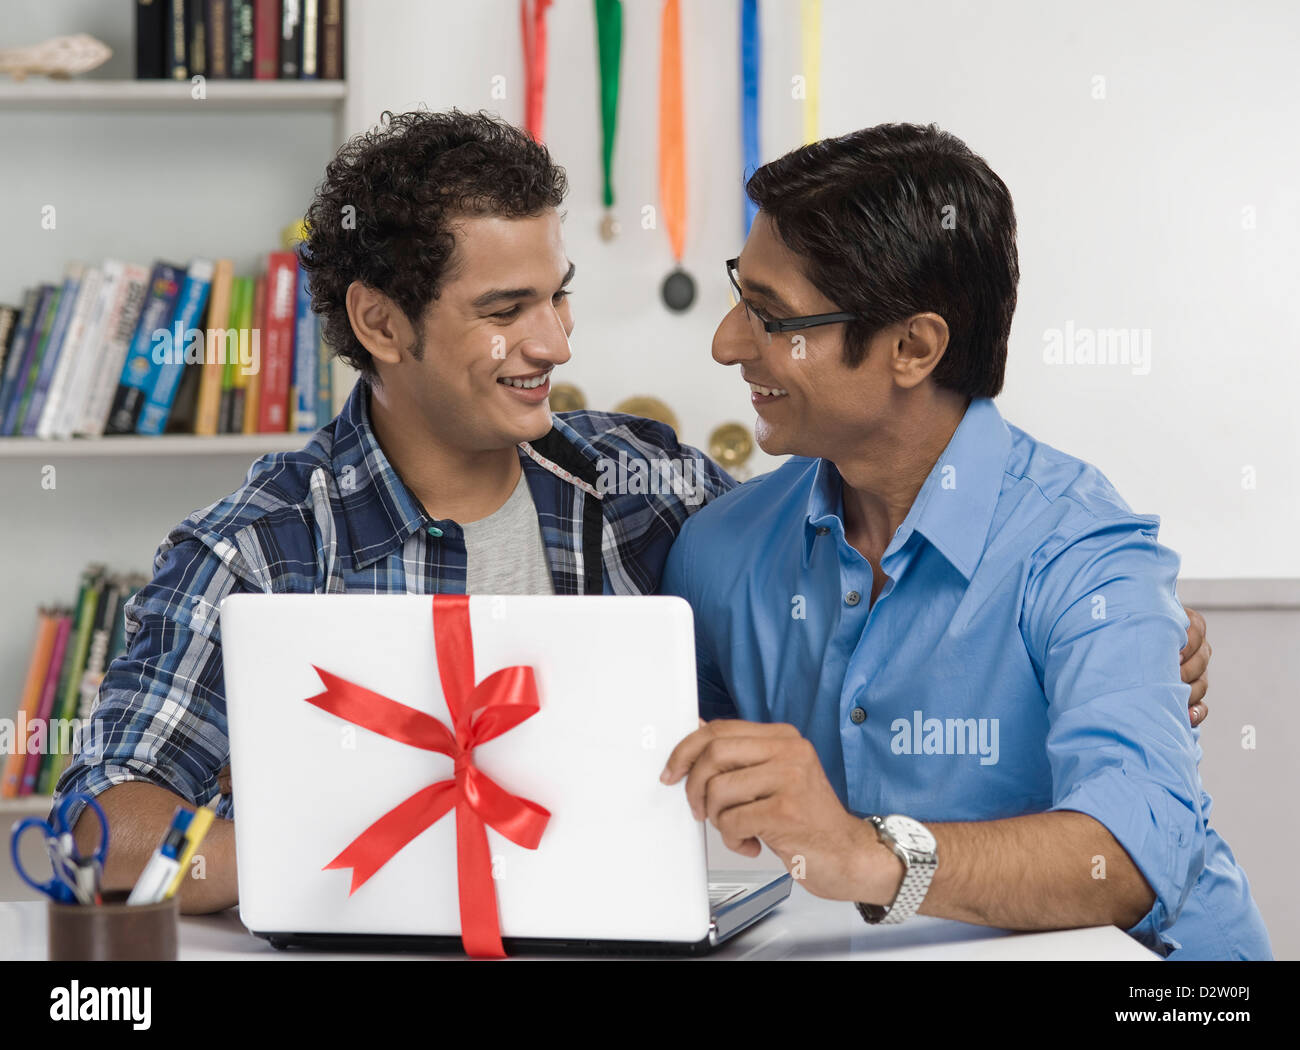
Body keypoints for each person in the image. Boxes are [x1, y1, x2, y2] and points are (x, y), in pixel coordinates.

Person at [57, 110, 1211, 917]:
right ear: (379, 321)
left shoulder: (645, 492)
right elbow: (98, 839)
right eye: (508, 308)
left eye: (558, 296)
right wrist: (390, 851)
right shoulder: (254, 546)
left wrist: (1129, 646)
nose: (557, 344)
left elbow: (882, 547)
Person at [658, 122, 1269, 960]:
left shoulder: (1086, 550)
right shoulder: (717, 552)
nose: (728, 342)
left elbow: (1124, 858)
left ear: (912, 347)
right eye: (740, 295)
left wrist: (863, 852)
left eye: (772, 318)